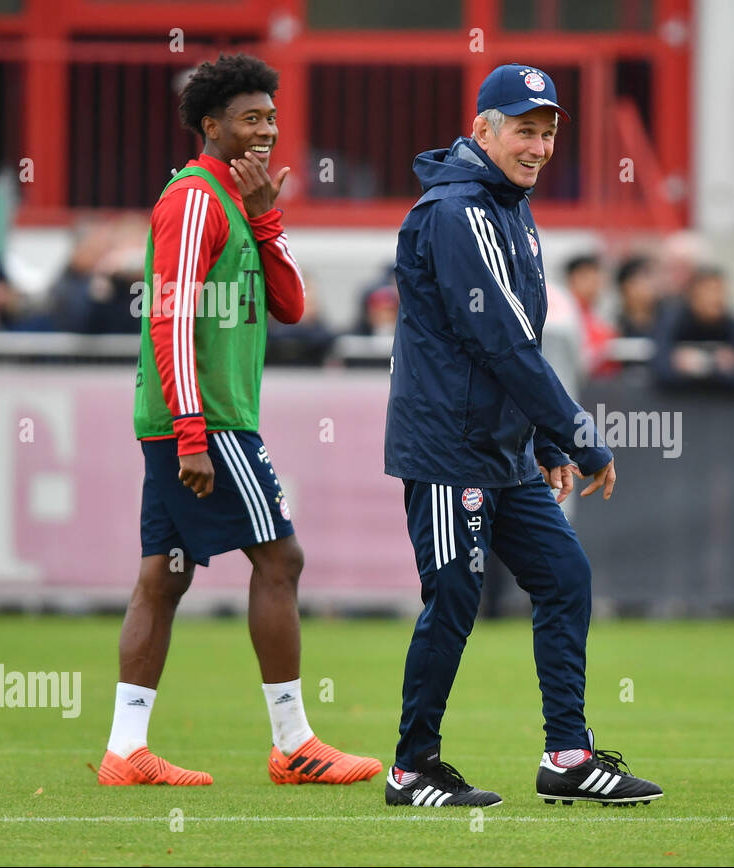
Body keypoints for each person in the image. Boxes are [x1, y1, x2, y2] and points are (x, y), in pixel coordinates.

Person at [384, 63, 662, 808]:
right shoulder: (458, 211)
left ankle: (567, 757)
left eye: (547, 132)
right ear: (483, 128)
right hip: (448, 446)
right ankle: (412, 767)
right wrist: (575, 434)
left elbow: (515, 335)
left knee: (563, 576)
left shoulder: (509, 205)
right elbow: (503, 343)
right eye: (523, 129)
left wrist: (538, 444)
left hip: (499, 448)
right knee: (453, 596)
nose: (538, 146)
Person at [100, 53, 381, 787]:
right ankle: (293, 743)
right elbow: (171, 320)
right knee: (281, 560)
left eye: (271, 118)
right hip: (207, 422)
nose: (267, 131)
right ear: (210, 124)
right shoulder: (194, 199)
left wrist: (265, 217)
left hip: (190, 419)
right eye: (251, 118)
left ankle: (125, 750)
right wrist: (194, 432)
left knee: (162, 577)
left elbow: (290, 306)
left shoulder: (234, 200)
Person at [651, 266, 734, 392]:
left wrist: (700, 366)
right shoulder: (671, 321)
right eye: (709, 291)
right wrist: (717, 366)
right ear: (692, 295)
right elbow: (662, 372)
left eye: (721, 291)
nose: (717, 298)